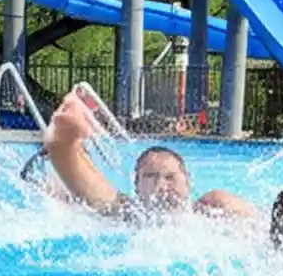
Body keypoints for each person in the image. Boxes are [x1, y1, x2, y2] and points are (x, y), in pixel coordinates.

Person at [38, 88, 256, 222]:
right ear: (137, 186)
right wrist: (64, 146)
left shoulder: (210, 212)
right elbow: (97, 193)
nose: (161, 187)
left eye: (170, 177)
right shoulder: (130, 215)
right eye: (150, 177)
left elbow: (261, 226)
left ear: (188, 181)